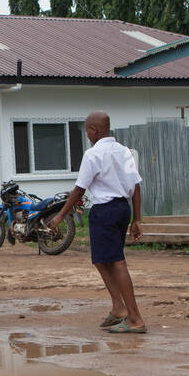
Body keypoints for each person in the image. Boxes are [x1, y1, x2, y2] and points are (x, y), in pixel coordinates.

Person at [50, 111, 145, 333]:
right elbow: (137, 185)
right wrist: (137, 218)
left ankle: (135, 318)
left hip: (105, 211)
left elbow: (79, 188)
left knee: (117, 261)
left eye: (87, 131)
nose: (87, 135)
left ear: (93, 130)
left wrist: (61, 214)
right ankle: (118, 307)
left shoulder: (92, 154)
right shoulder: (124, 152)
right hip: (123, 209)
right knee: (101, 259)